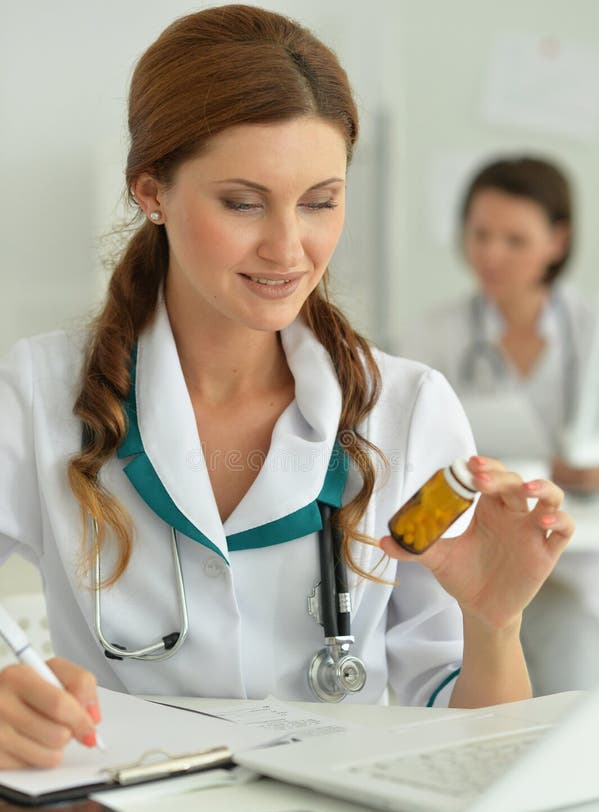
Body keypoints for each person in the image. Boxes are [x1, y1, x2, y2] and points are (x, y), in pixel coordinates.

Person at [0, 7, 572, 769]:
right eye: (242, 203)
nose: (287, 247)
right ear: (151, 191)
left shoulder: (407, 410)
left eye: (319, 201)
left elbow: (474, 757)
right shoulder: (39, 393)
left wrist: (493, 624)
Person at [400, 155, 599, 694]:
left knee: (573, 672)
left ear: (557, 241)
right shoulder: (431, 335)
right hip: (475, 544)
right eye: (480, 234)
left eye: (514, 240)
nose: (490, 254)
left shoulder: (590, 330)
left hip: (578, 560)